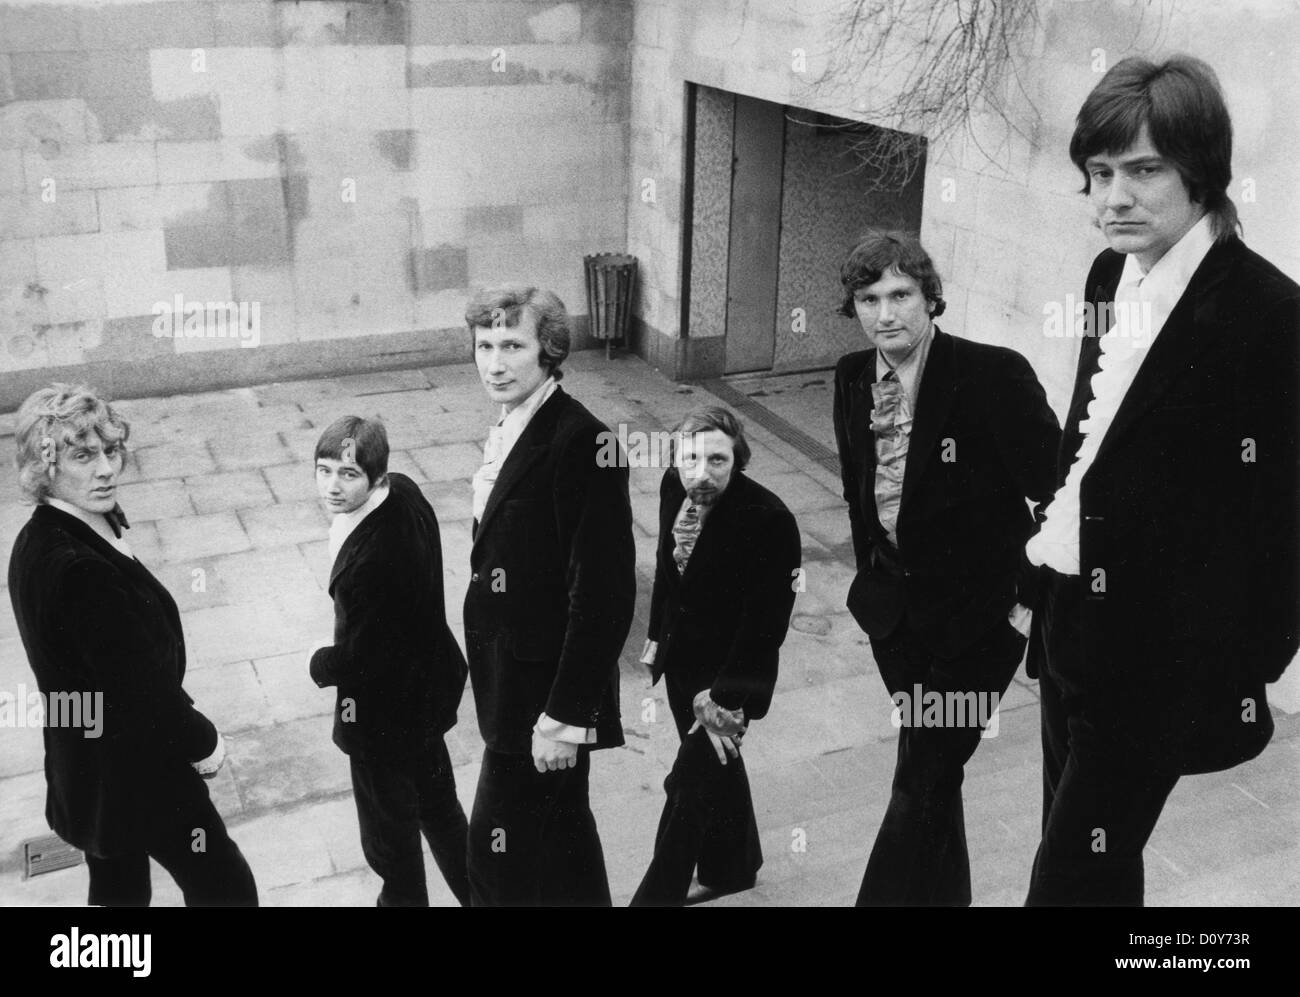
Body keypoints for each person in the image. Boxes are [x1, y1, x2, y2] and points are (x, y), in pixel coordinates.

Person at [1023, 55, 1299, 906]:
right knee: (1096, 866)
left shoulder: (1270, 316)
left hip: (1156, 667)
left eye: (1144, 170)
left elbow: (1287, 524)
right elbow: (1089, 435)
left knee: (1065, 879)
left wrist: (1223, 668)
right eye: (1100, 173)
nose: (1114, 196)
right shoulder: (1109, 273)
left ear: (1202, 173)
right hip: (1070, 623)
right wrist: (1035, 581)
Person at [832, 232, 1061, 906]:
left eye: (900, 293)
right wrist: (872, 579)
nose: (885, 312)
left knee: (920, 776)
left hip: (979, 622)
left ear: (931, 298)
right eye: (868, 298)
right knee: (933, 776)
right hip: (897, 622)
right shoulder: (850, 376)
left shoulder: (992, 374)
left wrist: (1025, 600)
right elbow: (859, 492)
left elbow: (1060, 492)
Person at [7, 383, 258, 907]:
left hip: (86, 770)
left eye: (110, 450)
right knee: (226, 887)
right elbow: (139, 690)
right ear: (46, 467)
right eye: (82, 455)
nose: (106, 469)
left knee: (118, 889)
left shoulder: (39, 538)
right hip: (140, 768)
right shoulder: (78, 570)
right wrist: (204, 743)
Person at [462, 285, 636, 906]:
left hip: (540, 700)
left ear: (550, 350)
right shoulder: (514, 424)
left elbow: (605, 595)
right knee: (563, 837)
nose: (495, 361)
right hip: (509, 680)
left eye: (513, 344)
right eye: (485, 345)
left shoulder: (582, 442)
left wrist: (565, 720)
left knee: (492, 854)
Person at [630, 407, 801, 907]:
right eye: (690, 458)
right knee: (718, 771)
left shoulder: (769, 520)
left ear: (738, 460)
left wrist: (722, 701)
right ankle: (733, 867)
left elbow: (764, 627)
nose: (701, 472)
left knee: (687, 784)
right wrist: (656, 642)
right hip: (683, 663)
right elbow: (668, 574)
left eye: (717, 459)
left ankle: (653, 897)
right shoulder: (672, 487)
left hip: (729, 680)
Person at [308, 415, 471, 907]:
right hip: (426, 695)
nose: (332, 487)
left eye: (348, 474)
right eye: (323, 469)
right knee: (441, 813)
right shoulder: (404, 491)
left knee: (389, 841)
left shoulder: (372, 562)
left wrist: (320, 664)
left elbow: (365, 658)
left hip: (381, 717)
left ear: (376, 477)